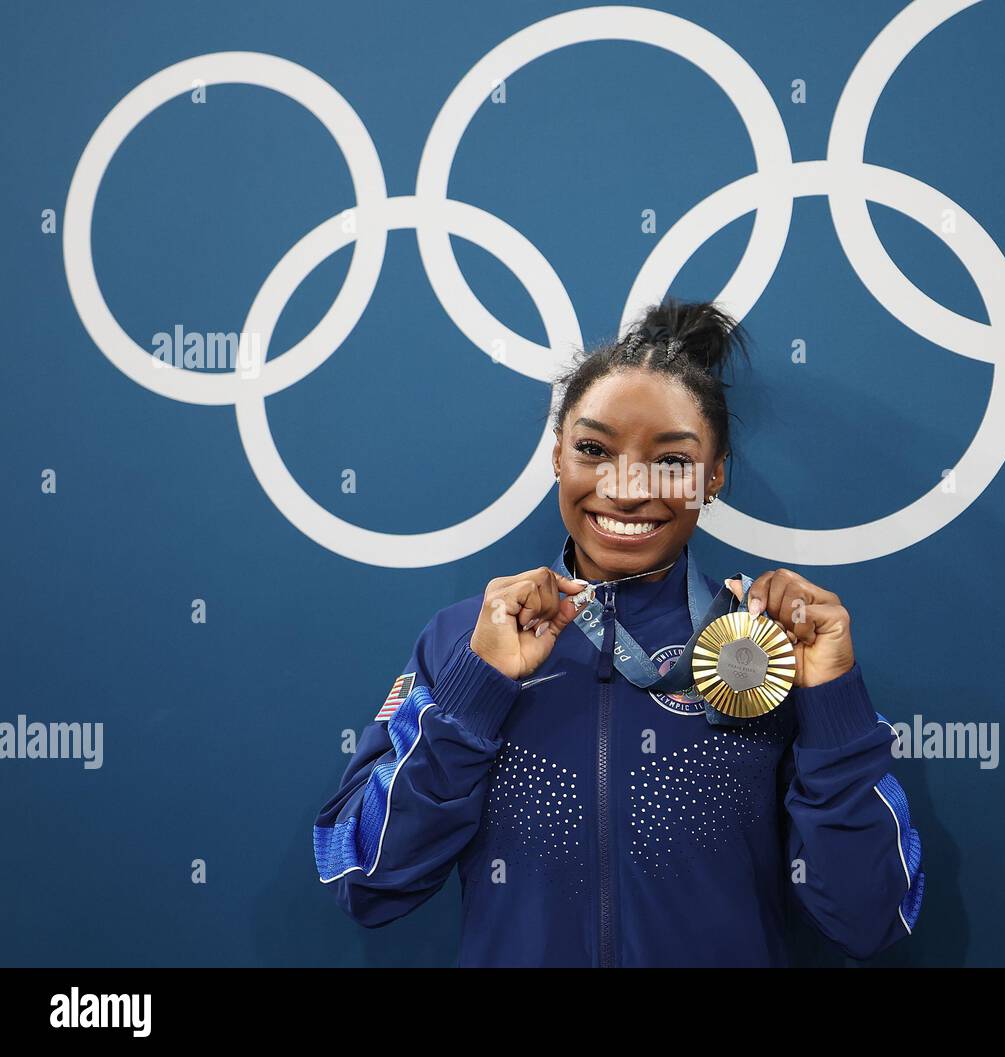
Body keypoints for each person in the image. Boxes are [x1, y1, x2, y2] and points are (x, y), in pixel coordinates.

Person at [313, 297, 925, 967]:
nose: (627, 488)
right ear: (556, 456)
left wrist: (832, 703)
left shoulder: (768, 648)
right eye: (594, 449)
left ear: (713, 476)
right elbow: (364, 879)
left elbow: (872, 917)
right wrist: (472, 693)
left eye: (669, 460)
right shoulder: (466, 640)